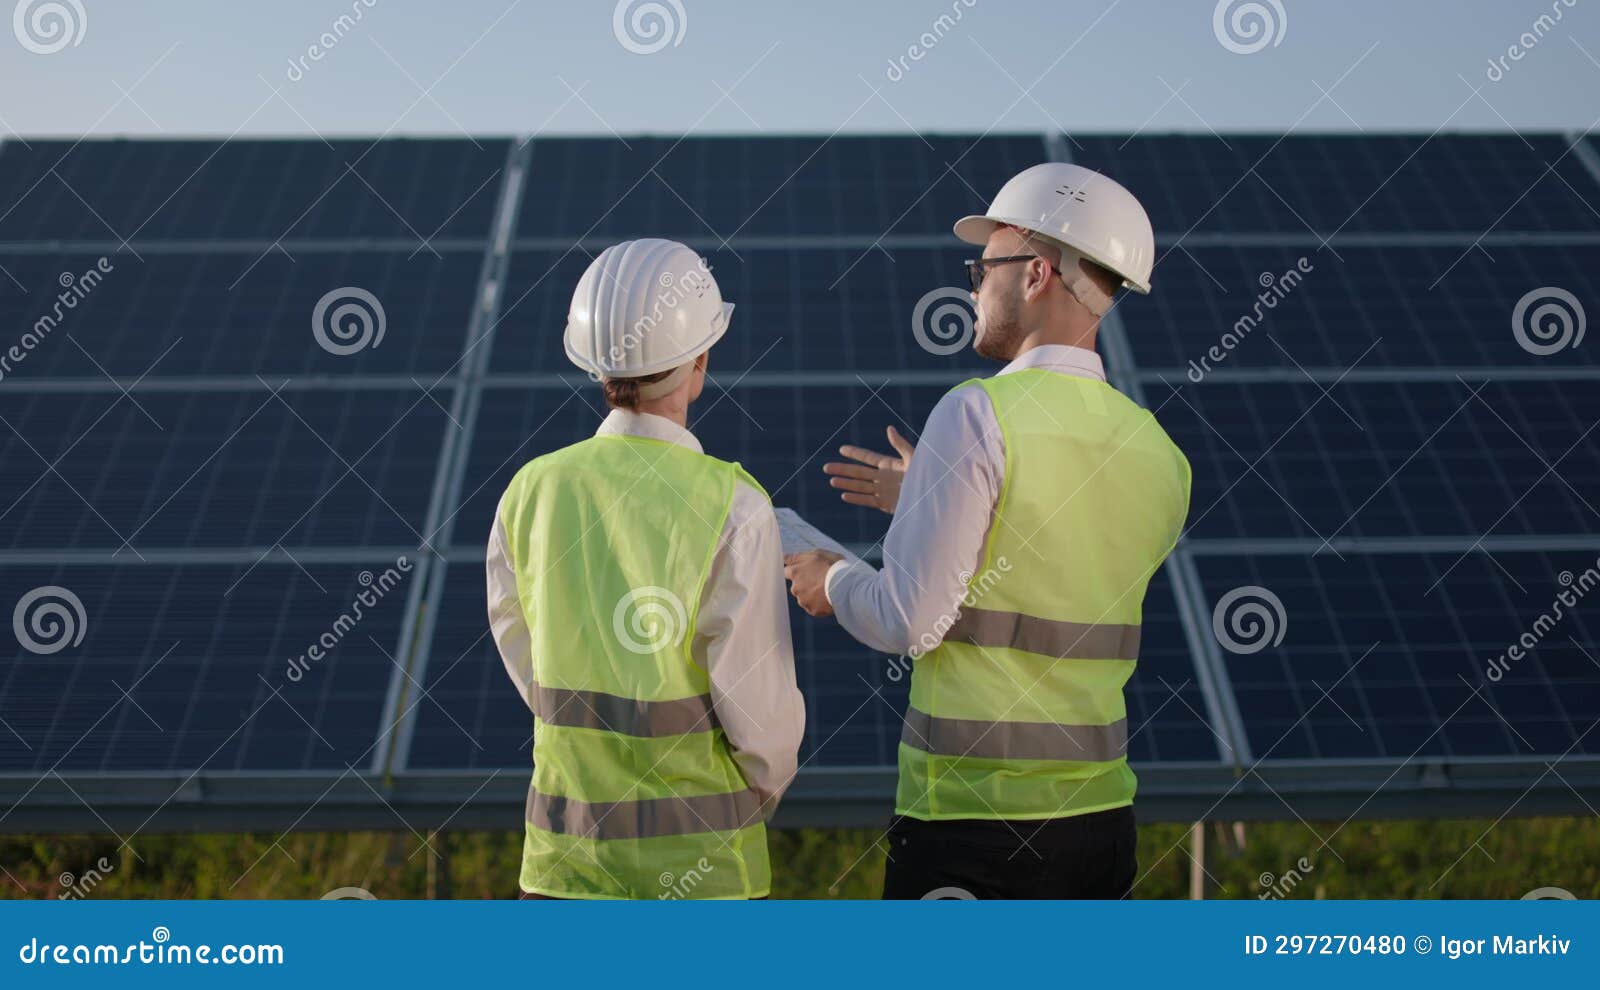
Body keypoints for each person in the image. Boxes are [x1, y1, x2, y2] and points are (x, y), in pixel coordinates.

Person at [784, 164, 1190, 899]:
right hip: (1100, 824)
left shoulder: (976, 414)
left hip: (973, 827)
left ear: (1035, 273)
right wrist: (930, 501)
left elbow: (910, 620)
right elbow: (1054, 558)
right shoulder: (1159, 452)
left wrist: (829, 578)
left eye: (984, 266)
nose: (974, 286)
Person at [488, 238, 805, 899]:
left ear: (594, 364)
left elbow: (525, 651)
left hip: (563, 868)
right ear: (699, 360)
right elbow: (756, 703)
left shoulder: (533, 488)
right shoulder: (734, 504)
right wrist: (759, 790)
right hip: (704, 876)